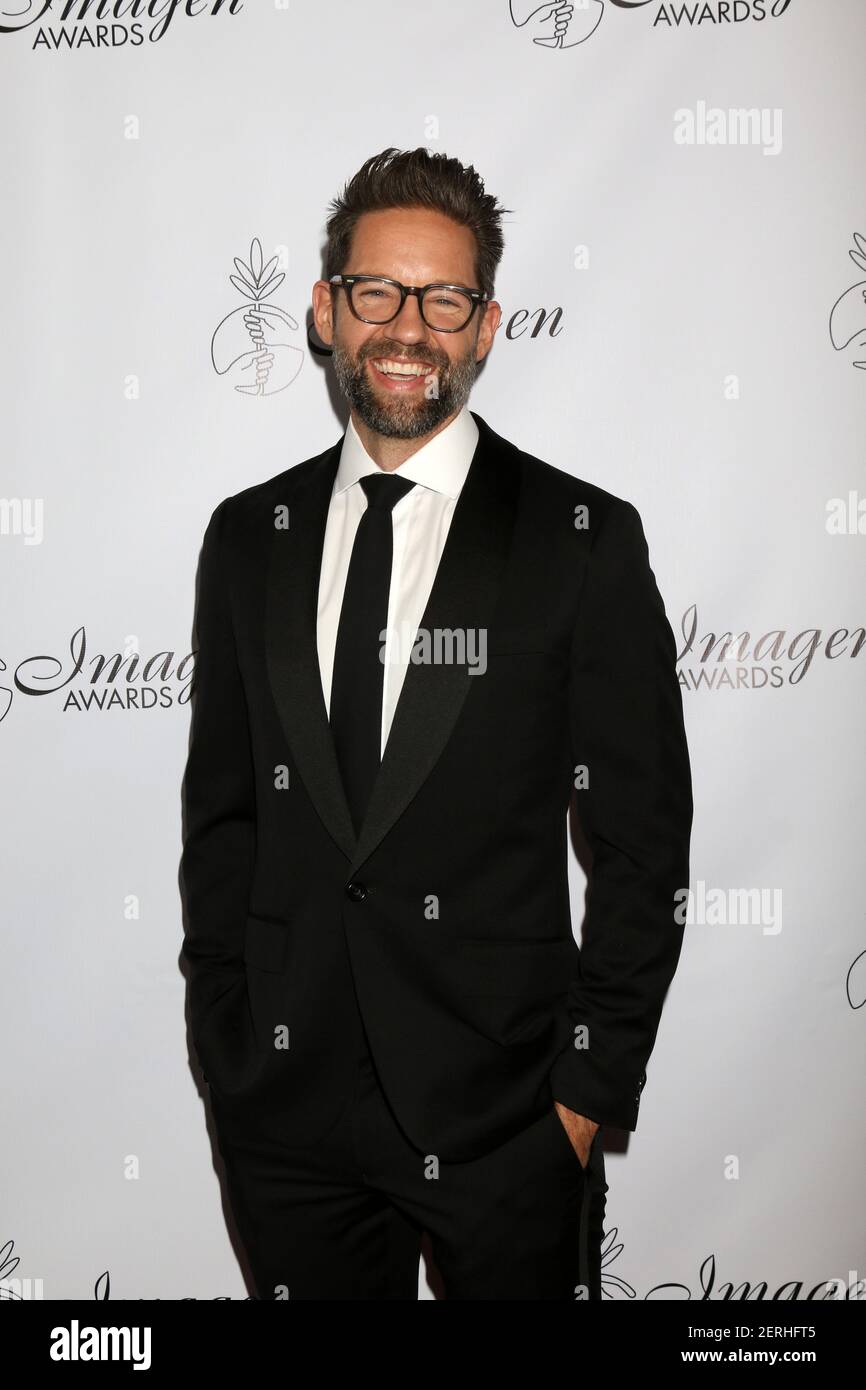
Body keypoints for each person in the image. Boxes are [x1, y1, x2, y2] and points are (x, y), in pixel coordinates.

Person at [180, 146, 693, 1301]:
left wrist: (580, 1093)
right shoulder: (243, 538)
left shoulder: (579, 541)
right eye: (376, 292)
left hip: (508, 1119)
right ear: (325, 309)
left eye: (443, 298)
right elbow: (220, 814)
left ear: (484, 325)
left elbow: (642, 839)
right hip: (287, 1116)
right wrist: (226, 1036)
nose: (407, 327)